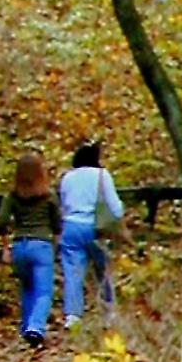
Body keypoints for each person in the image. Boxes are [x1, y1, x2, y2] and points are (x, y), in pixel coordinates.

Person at [0, 152, 62, 349]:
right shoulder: (48, 196)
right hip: (42, 245)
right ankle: (35, 327)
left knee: (26, 288)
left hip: (20, 246)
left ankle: (26, 327)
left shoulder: (12, 196)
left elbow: (2, 222)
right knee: (43, 292)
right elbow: (58, 224)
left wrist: (5, 247)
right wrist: (56, 246)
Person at [57, 140, 123, 328]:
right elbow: (116, 208)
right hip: (95, 228)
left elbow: (63, 204)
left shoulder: (67, 178)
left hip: (71, 227)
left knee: (72, 271)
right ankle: (108, 311)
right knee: (102, 270)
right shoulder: (102, 175)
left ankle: (73, 316)